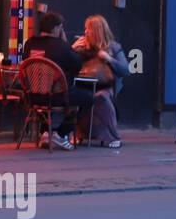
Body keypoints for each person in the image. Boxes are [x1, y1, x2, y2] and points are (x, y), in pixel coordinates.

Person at [21, 11, 94, 151]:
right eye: (61, 28)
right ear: (56, 29)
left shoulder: (30, 43)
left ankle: (45, 133)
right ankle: (60, 133)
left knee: (51, 98)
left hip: (33, 96)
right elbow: (77, 65)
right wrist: (67, 44)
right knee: (89, 98)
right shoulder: (61, 46)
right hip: (56, 96)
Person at [73, 15, 129, 149]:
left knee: (101, 98)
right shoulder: (81, 47)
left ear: (98, 31)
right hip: (84, 85)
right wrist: (73, 49)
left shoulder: (113, 47)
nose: (85, 32)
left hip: (105, 86)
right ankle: (80, 134)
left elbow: (125, 70)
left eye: (89, 29)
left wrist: (109, 59)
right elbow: (69, 65)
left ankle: (113, 136)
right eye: (85, 28)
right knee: (79, 97)